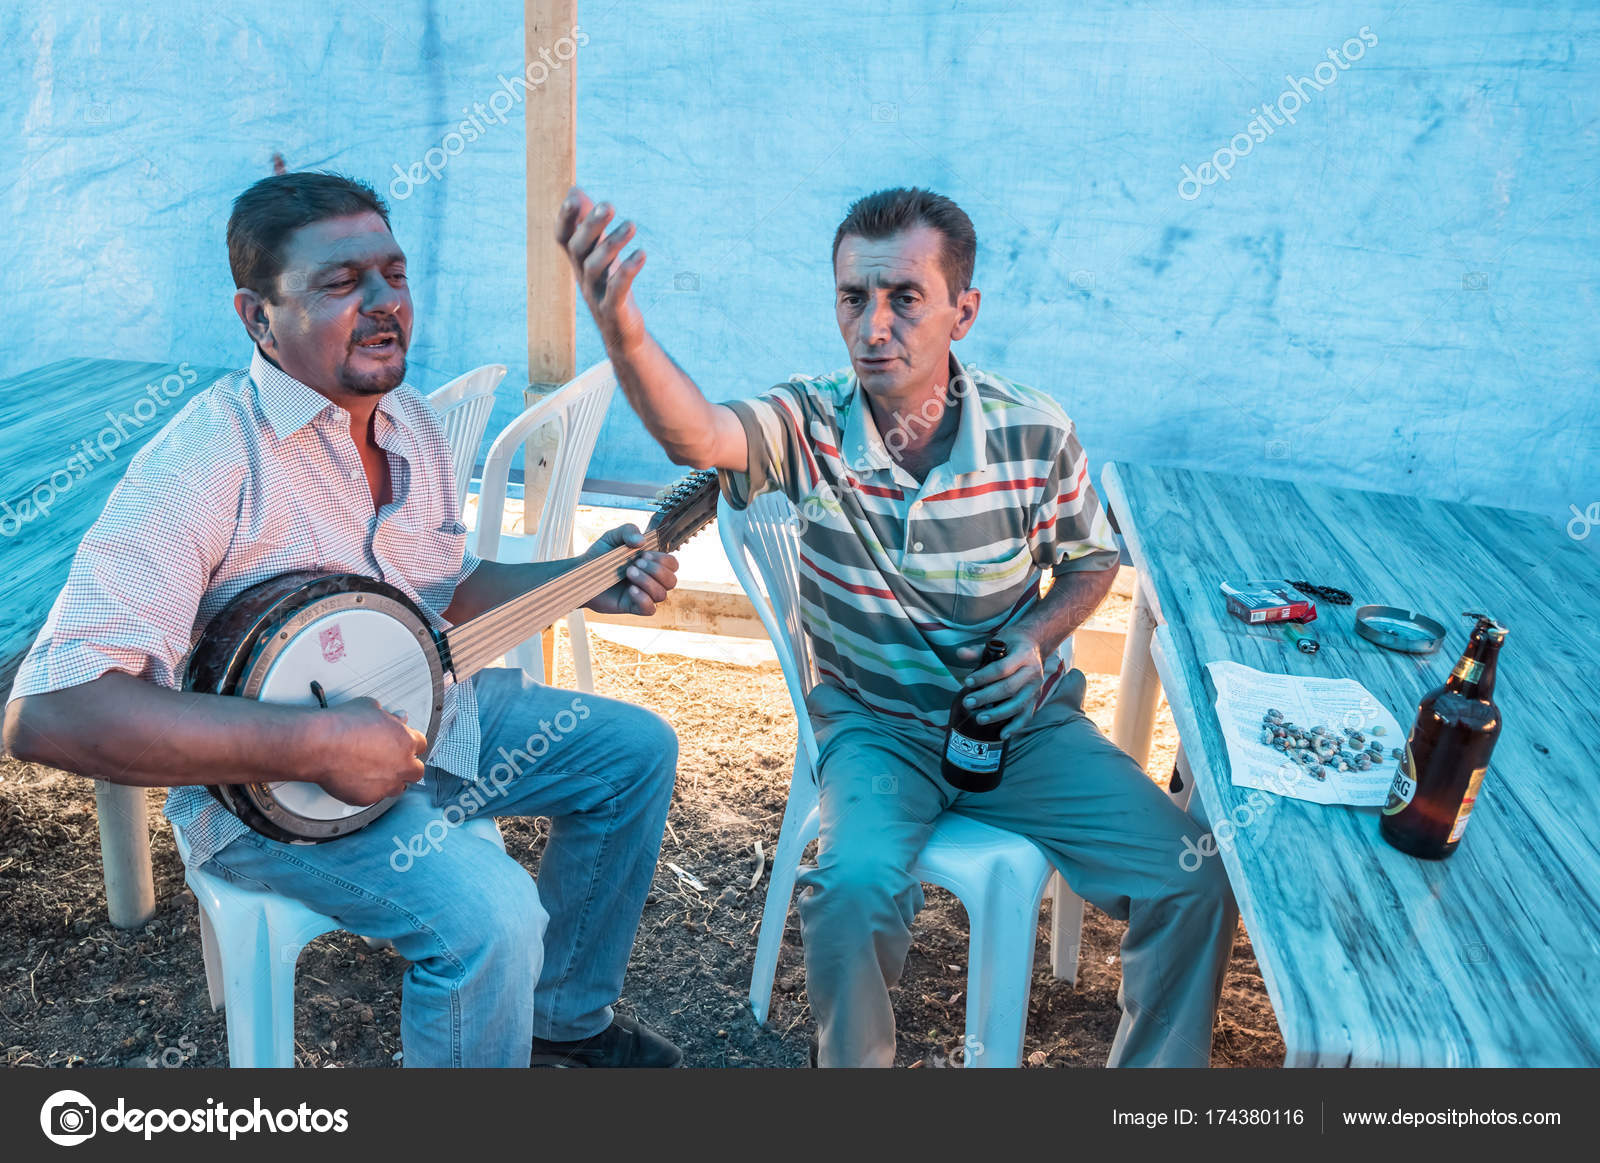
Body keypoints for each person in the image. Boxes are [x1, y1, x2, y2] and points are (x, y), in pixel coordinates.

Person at [3, 171, 683, 1069]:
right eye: (339, 283)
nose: (383, 304)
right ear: (256, 316)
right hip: (274, 805)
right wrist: (313, 747)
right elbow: (50, 710)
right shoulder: (209, 461)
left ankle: (560, 1019)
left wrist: (586, 575)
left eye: (394, 275)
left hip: (436, 719)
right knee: (492, 917)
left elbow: (439, 595)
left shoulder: (412, 422)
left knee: (634, 753)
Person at [556, 184, 1239, 1068]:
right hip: (876, 728)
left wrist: (1034, 643)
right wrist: (625, 330)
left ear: (964, 310)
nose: (874, 326)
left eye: (905, 298)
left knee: (1194, 881)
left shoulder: (1034, 431)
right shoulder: (810, 424)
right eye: (853, 297)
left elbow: (1090, 561)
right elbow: (699, 437)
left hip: (1021, 729)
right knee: (846, 890)